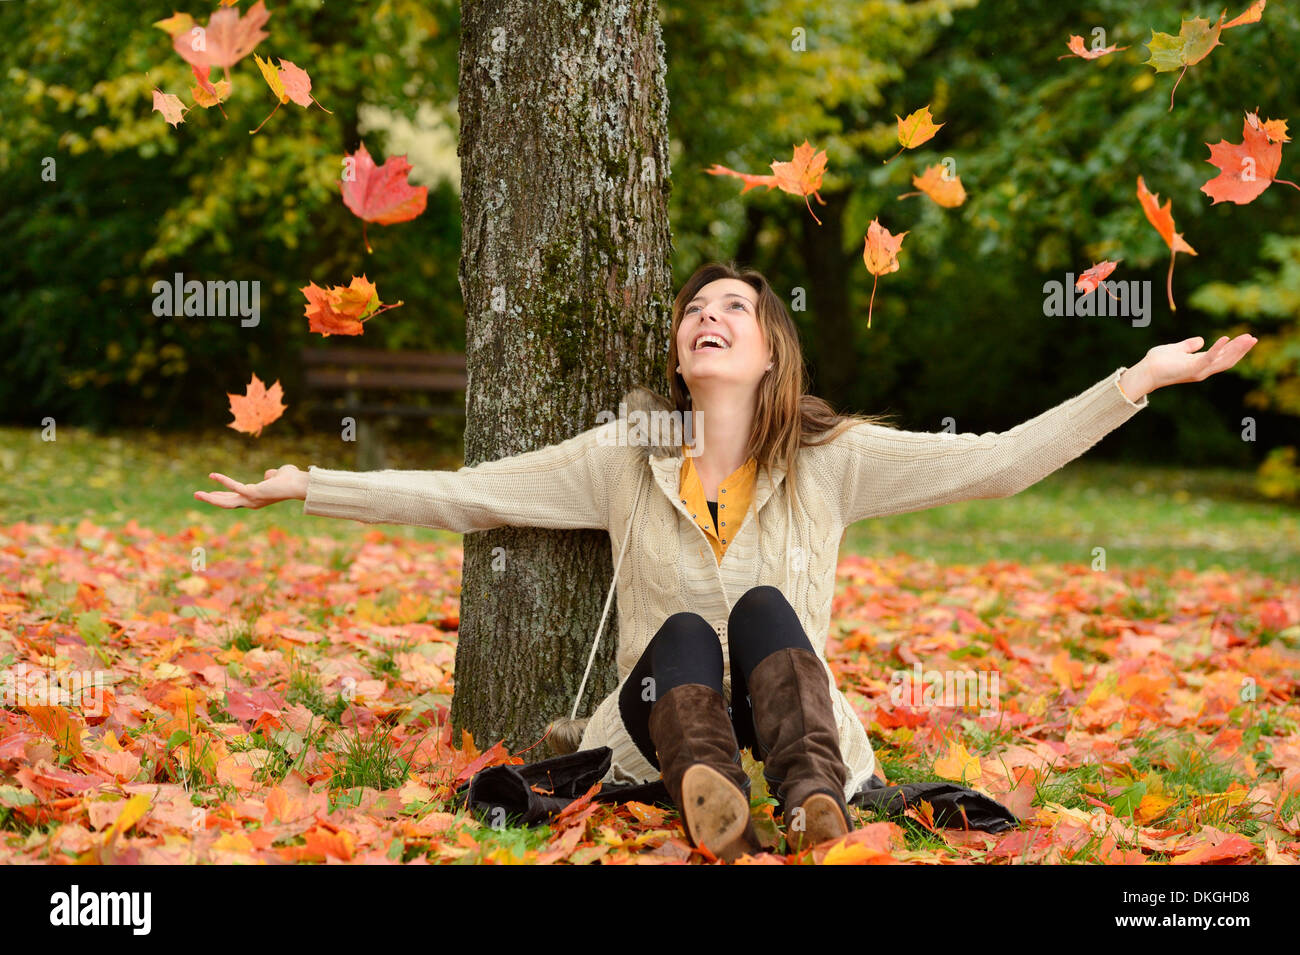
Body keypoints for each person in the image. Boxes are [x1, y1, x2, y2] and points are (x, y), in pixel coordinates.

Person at [196, 260, 1257, 861]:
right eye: (693, 311)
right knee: (681, 634)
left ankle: (808, 800)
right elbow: (473, 492)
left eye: (731, 310)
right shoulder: (628, 450)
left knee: (756, 606)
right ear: (677, 351)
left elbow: (1000, 466)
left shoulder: (829, 458)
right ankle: (708, 790)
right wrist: (312, 484)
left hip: (789, 704)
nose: (708, 318)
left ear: (767, 350)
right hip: (667, 713)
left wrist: (1134, 381)